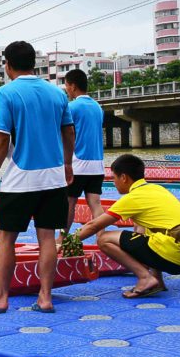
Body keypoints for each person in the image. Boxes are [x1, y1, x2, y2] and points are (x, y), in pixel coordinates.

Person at [0, 40, 75, 314]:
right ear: (35, 63)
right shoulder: (57, 94)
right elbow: (68, 132)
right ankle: (45, 298)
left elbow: (1, 137)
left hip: (19, 178)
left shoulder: (5, 93)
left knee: (6, 238)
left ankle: (0, 296)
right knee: (47, 237)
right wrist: (67, 165)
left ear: (7, 65)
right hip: (53, 178)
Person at [74, 155, 180, 297]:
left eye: (114, 178)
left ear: (124, 178)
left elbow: (93, 226)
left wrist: (64, 242)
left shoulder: (133, 197)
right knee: (145, 230)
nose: (113, 182)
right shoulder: (157, 189)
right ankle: (158, 280)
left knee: (104, 239)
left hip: (170, 255)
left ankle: (145, 278)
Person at [63, 69, 105, 240]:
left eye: (66, 85)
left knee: (69, 203)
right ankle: (102, 237)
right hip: (97, 164)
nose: (66, 89)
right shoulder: (98, 107)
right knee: (95, 203)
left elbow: (66, 132)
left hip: (77, 163)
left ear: (73, 86)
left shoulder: (71, 107)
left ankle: (63, 237)